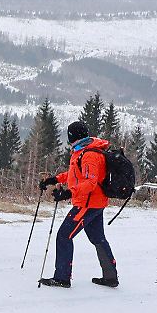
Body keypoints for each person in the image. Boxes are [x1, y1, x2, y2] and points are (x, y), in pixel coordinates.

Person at [38, 120, 119, 288]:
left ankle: (62, 278)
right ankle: (111, 277)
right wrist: (55, 179)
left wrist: (68, 193)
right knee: (98, 238)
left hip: (87, 204)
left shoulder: (89, 154)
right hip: (95, 203)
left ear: (72, 136)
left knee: (64, 235)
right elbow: (75, 173)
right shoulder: (83, 151)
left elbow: (90, 182)